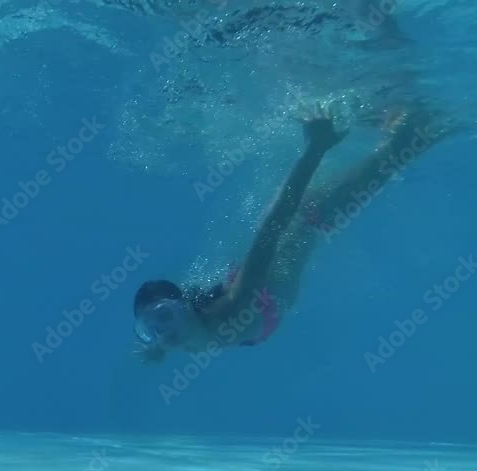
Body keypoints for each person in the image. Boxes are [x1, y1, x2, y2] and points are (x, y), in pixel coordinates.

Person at [132, 102, 450, 364]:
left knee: (300, 209)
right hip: (270, 292)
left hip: (245, 302)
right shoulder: (233, 310)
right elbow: (272, 228)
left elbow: (170, 336)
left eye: (158, 321)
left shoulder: (177, 336)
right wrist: (315, 149)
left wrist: (155, 350)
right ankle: (428, 127)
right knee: (319, 208)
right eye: (154, 329)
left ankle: (395, 132)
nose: (162, 333)